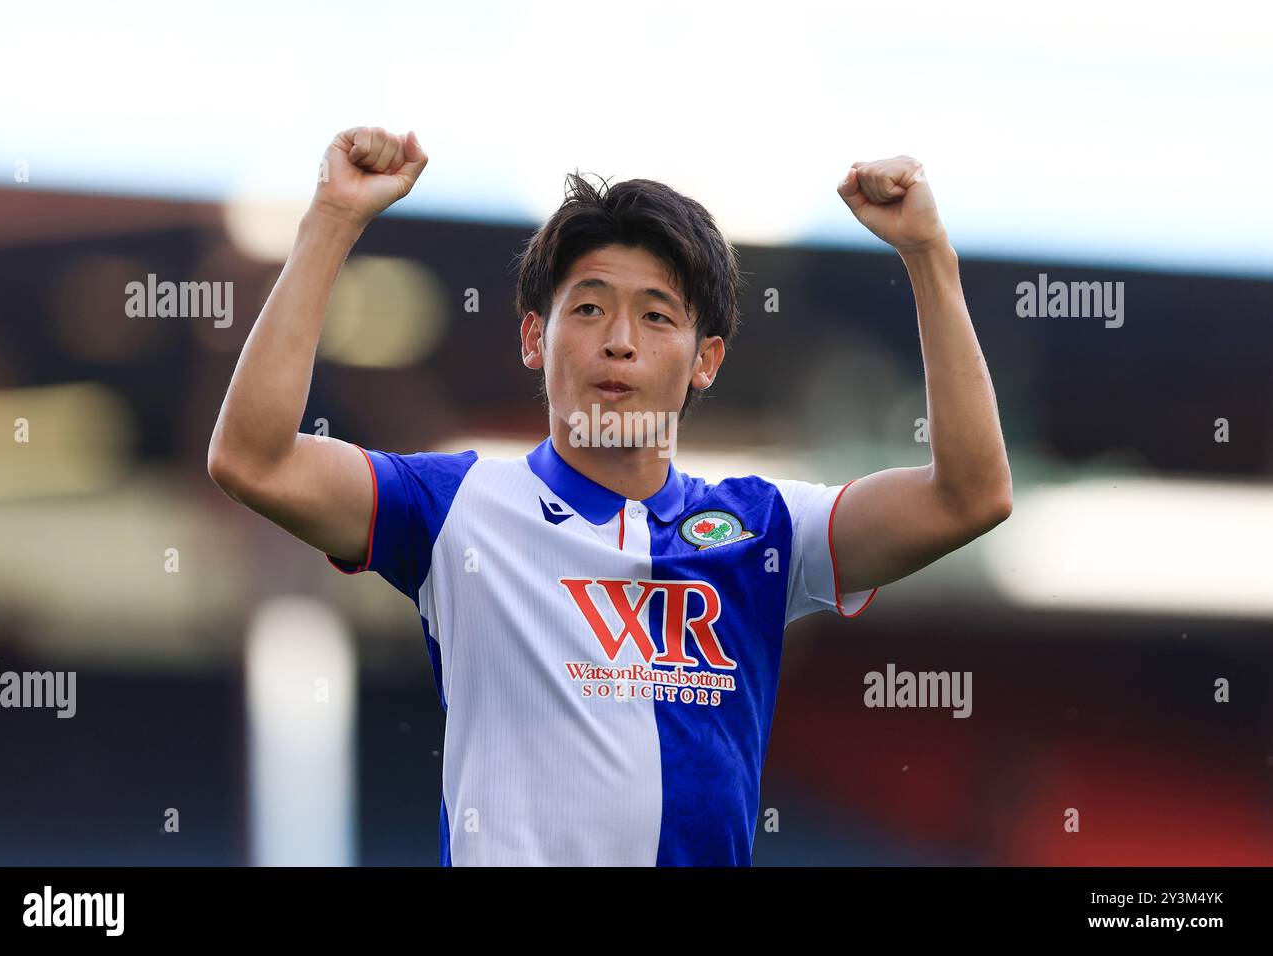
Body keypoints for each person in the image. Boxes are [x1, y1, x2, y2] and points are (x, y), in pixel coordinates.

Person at [207, 127, 1012, 866]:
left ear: (707, 359)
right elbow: (254, 459)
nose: (619, 340)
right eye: (588, 308)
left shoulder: (769, 529)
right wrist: (333, 220)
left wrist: (927, 254)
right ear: (534, 337)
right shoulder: (454, 505)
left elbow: (970, 496)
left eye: (656, 316)